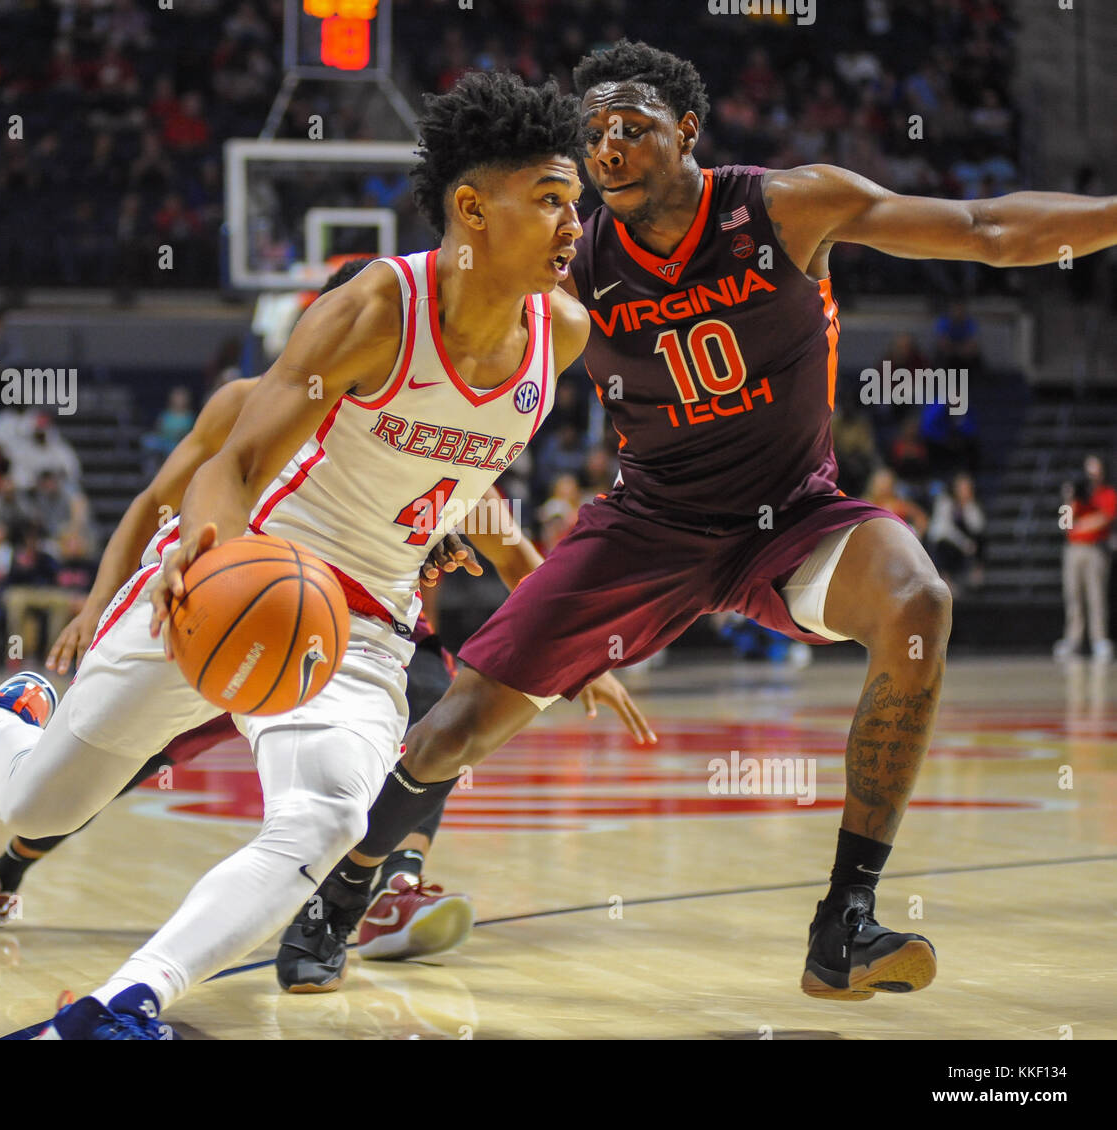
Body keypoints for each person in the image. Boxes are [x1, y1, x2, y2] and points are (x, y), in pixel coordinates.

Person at [324, 41, 1117, 1005]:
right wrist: (439, 490)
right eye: (596, 134)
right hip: (650, 523)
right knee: (453, 727)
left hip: (798, 515)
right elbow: (473, 368)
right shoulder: (572, 258)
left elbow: (988, 227)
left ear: (688, 130)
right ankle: (351, 892)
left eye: (632, 128)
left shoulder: (786, 205)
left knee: (919, 600)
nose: (608, 148)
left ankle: (845, 923)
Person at [0, 73, 641, 1039]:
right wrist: (206, 547)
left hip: (359, 628)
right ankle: (1, 727)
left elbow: (469, 489)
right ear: (472, 206)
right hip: (244, 571)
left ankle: (118, 1008)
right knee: (41, 800)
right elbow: (240, 458)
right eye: (552, 199)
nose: (572, 225)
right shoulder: (376, 309)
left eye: (578, 205)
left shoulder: (563, 337)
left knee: (332, 816)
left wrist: (561, 626)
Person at [1055, 454, 1116, 660]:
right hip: (1074, 550)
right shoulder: (1076, 497)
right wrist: (1069, 499)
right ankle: (1073, 639)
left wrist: (1082, 524)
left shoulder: (1107, 494)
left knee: (1096, 596)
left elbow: (1104, 519)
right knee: (1073, 595)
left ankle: (1099, 639)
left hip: (1095, 550)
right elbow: (1065, 526)